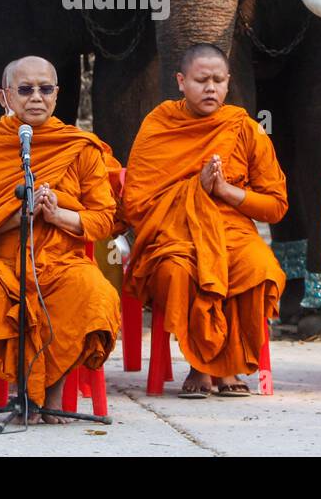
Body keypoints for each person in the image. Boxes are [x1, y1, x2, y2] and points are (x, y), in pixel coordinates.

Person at [0, 56, 122, 422]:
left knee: (93, 293)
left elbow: (103, 220)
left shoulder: (79, 146)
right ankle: (12, 396)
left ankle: (51, 397)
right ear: (4, 97)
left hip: (59, 264)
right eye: (25, 89)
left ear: (57, 95)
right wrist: (19, 215)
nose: (36, 97)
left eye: (45, 89)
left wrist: (56, 215)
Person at [122, 43, 287, 398]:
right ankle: (202, 366)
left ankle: (230, 365)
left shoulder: (243, 127)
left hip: (232, 231)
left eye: (218, 80)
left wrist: (225, 191)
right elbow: (136, 203)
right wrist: (195, 189)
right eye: (201, 80)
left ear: (228, 83)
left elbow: (275, 206)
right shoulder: (159, 124)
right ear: (181, 81)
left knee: (260, 267)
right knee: (178, 272)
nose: (210, 88)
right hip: (174, 238)